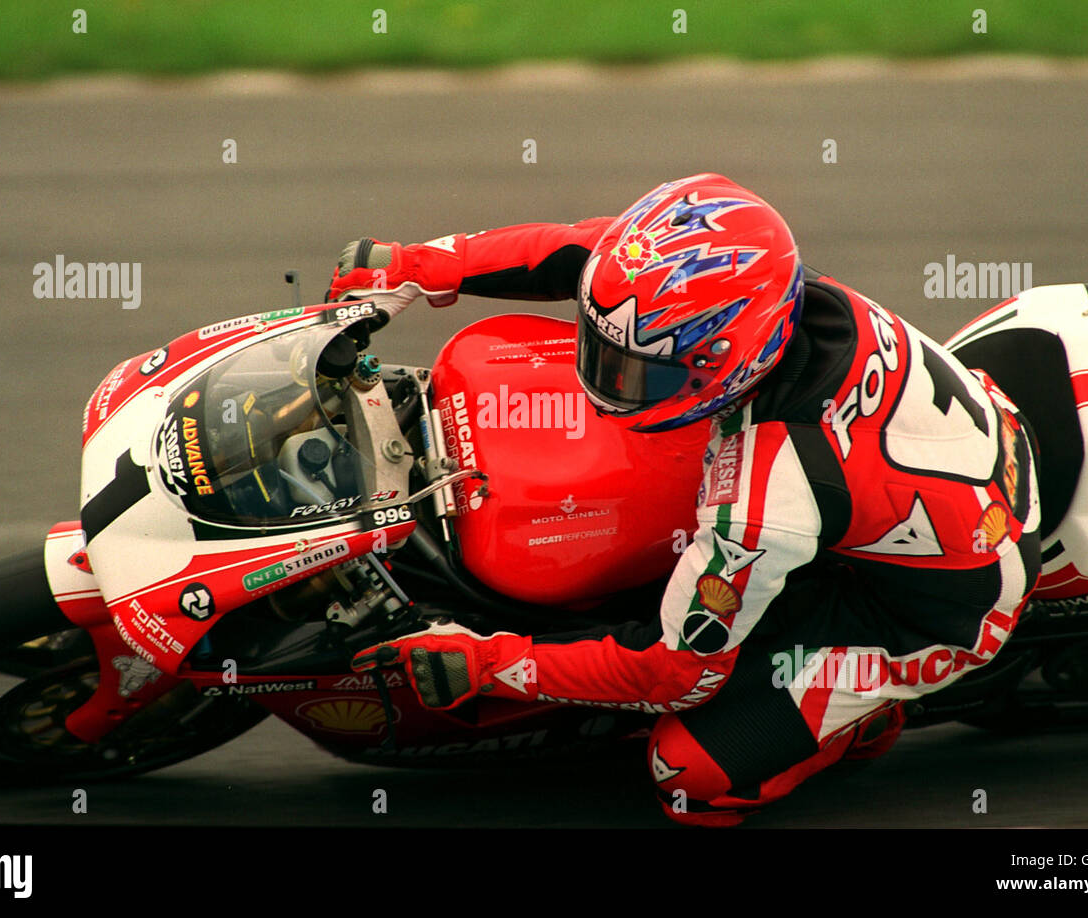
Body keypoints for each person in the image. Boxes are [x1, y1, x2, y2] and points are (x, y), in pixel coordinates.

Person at [332, 173, 1042, 826]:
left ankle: (865, 719)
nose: (608, 381)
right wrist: (418, 266)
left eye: (642, 371)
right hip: (918, 479)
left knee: (688, 777)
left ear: (727, 360)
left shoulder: (771, 492)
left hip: (927, 608)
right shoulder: (739, 285)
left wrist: (489, 662)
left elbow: (673, 672)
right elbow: (579, 252)